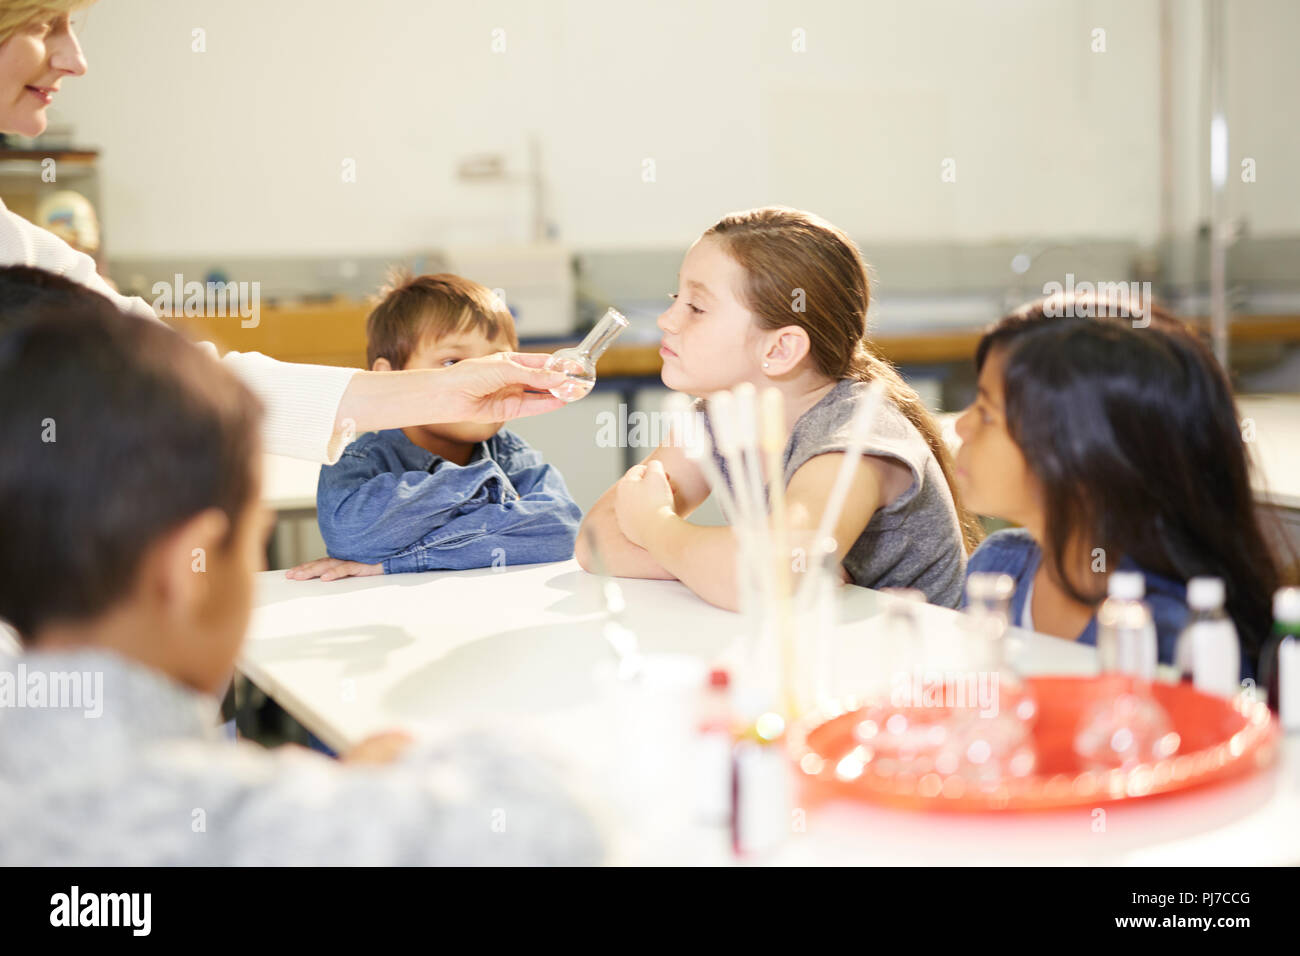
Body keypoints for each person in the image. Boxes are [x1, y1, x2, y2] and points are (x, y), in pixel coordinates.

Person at [0, 296, 604, 865]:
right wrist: (394, 765)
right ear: (191, 569)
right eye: (251, 536)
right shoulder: (257, 824)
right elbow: (556, 825)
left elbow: (560, 527)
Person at [0, 2, 569, 465]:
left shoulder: (22, 249)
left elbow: (171, 379)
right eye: (46, 24)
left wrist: (446, 390)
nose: (76, 59)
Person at [576, 207, 979, 610]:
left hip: (919, 666)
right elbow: (596, 540)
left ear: (780, 348)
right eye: (675, 297)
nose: (667, 319)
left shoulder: (855, 435)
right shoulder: (719, 413)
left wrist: (655, 527)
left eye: (696, 307)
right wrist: (716, 564)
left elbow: (765, 576)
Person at [954, 296, 1285, 673]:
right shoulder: (997, 567)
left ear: (1082, 455)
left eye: (987, 413)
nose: (963, 425)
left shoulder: (1164, 631)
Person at [289, 271, 581, 581]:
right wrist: (486, 489)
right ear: (389, 376)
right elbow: (352, 539)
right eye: (453, 363)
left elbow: (557, 530)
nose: (485, 382)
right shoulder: (358, 460)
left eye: (498, 363)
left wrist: (399, 560)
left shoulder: (510, 452)